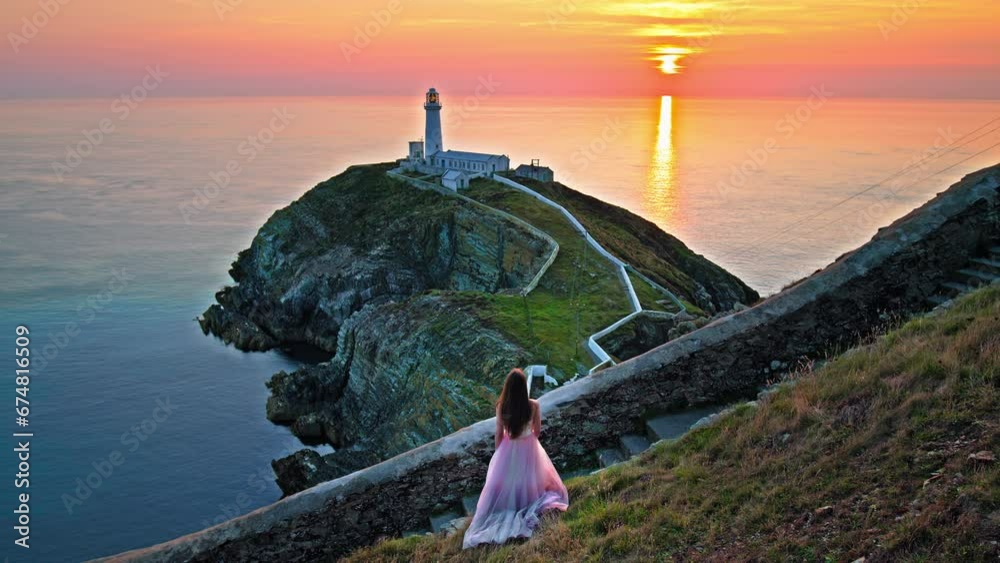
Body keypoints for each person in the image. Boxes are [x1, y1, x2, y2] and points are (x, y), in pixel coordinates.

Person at [462, 368, 569, 549]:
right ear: (523, 388)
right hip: (529, 445)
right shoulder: (533, 405)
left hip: (508, 448)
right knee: (530, 476)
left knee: (509, 479)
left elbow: (498, 433)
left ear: (508, 388)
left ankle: (511, 506)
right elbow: (537, 431)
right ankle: (526, 502)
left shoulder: (501, 407)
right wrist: (529, 438)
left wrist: (499, 454)